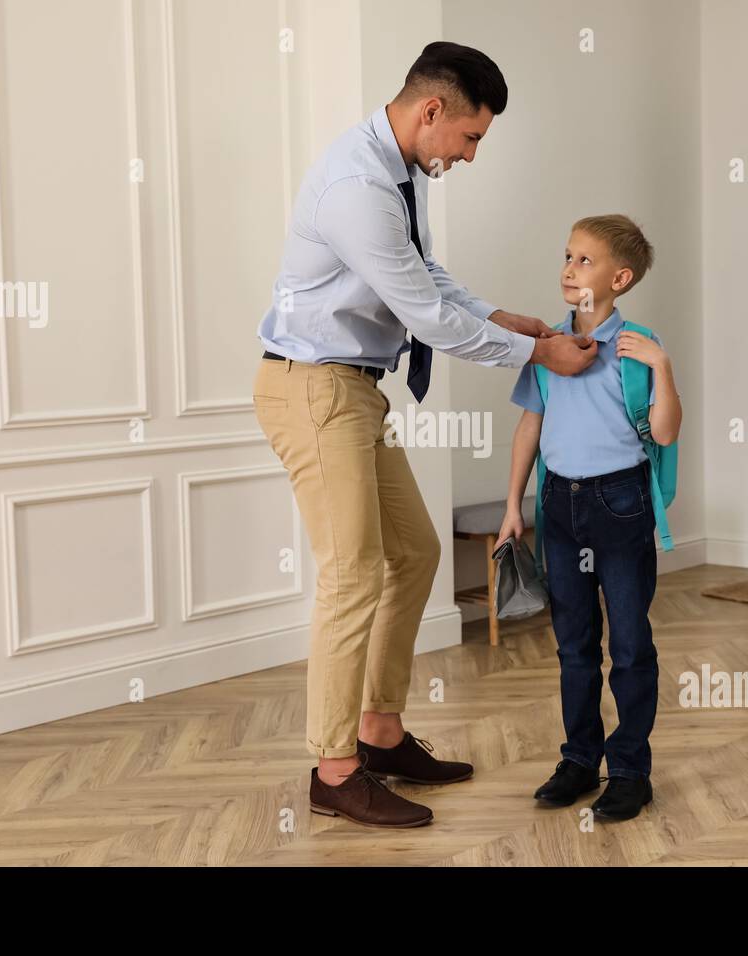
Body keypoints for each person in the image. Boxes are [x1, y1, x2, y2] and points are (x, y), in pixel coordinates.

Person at [253, 41, 598, 829]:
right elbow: (424, 316)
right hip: (313, 389)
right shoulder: (357, 187)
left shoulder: (403, 169)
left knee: (414, 551)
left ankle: (378, 732)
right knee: (352, 570)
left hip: (352, 390)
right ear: (432, 110)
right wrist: (537, 349)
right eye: (471, 138)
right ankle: (335, 770)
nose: (470, 156)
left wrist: (496, 315)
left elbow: (424, 278)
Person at [497, 214, 682, 820]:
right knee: (574, 644)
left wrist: (663, 368)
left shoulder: (637, 348)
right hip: (560, 506)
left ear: (619, 279)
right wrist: (512, 507)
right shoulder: (547, 345)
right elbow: (532, 424)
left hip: (620, 504)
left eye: (585, 260)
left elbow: (664, 431)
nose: (570, 268)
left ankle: (630, 769)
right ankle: (579, 759)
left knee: (629, 644)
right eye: (568, 255)